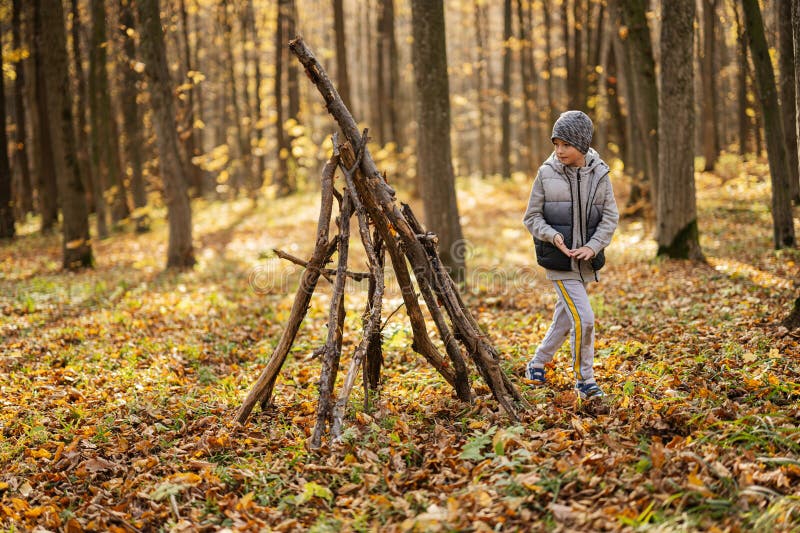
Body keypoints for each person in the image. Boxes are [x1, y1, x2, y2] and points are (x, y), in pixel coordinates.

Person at [522, 110, 619, 399]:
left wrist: (594, 246)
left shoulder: (600, 173)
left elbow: (610, 217)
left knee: (566, 317)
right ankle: (584, 380)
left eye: (565, 144)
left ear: (582, 144)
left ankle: (537, 363)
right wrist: (553, 236)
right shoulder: (546, 173)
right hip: (559, 260)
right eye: (556, 144)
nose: (559, 150)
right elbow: (532, 217)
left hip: (585, 261)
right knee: (584, 319)